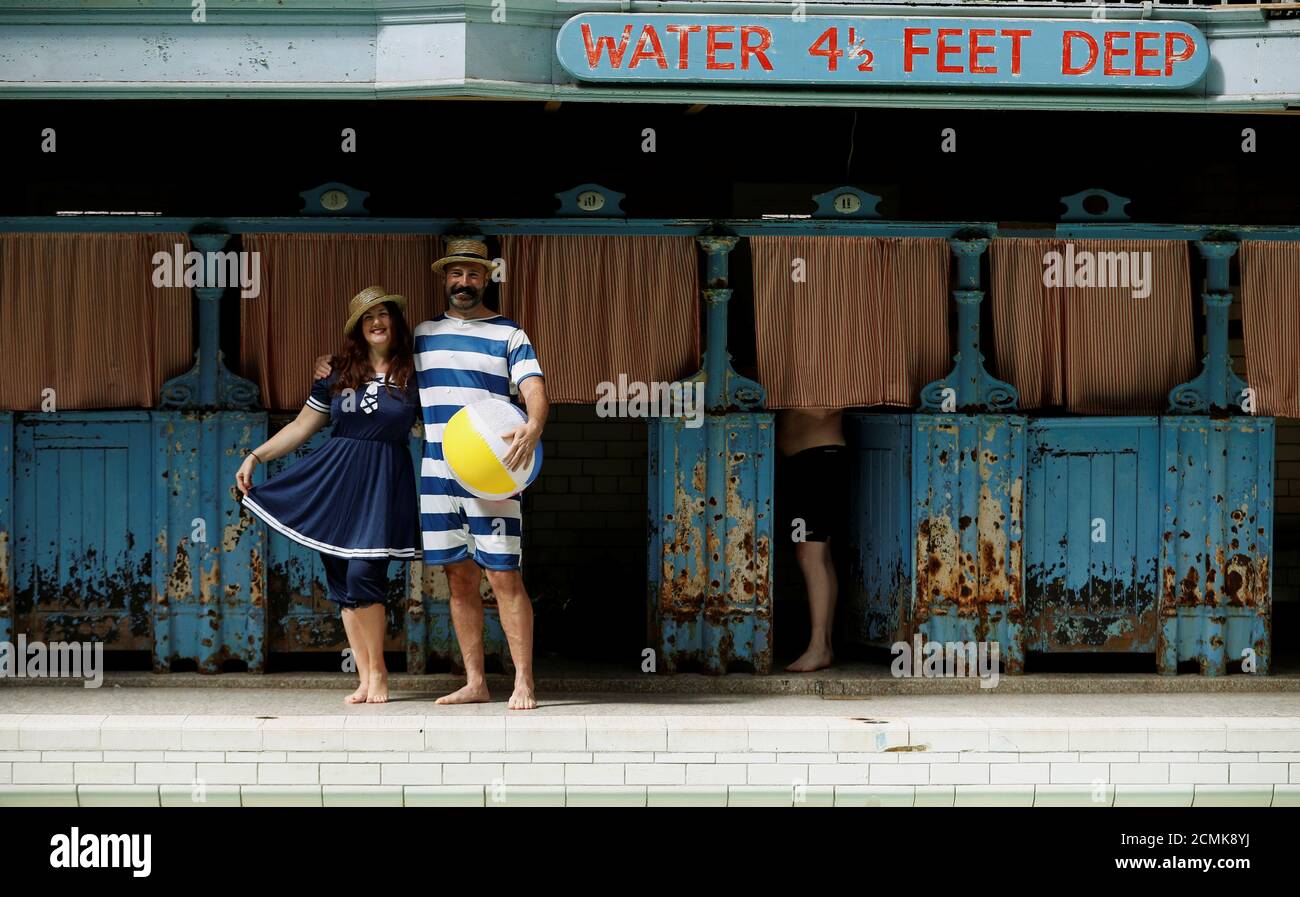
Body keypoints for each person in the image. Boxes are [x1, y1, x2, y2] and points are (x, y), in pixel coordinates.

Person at [316, 237, 549, 710]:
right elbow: (374, 357)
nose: (464, 283)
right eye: (456, 274)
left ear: (487, 278)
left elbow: (534, 388)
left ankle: (524, 681)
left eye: (474, 275)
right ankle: (476, 681)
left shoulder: (509, 333)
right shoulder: (421, 333)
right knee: (458, 578)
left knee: (505, 576)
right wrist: (327, 365)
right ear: (445, 279)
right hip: (437, 472)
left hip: (492, 472)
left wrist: (535, 423)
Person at [238, 286, 420, 704]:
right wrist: (254, 456)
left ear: (395, 321)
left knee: (364, 574)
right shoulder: (337, 372)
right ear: (357, 328)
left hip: (383, 482)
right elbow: (302, 427)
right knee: (341, 580)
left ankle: (379, 673)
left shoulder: (415, 371)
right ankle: (362, 677)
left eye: (383, 314)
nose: (376, 322)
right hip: (337, 482)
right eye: (367, 317)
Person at [777, 408, 847, 672]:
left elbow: (822, 412)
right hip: (809, 461)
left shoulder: (829, 375)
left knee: (810, 555)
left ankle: (819, 646)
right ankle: (824, 645)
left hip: (817, 461)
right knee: (819, 557)